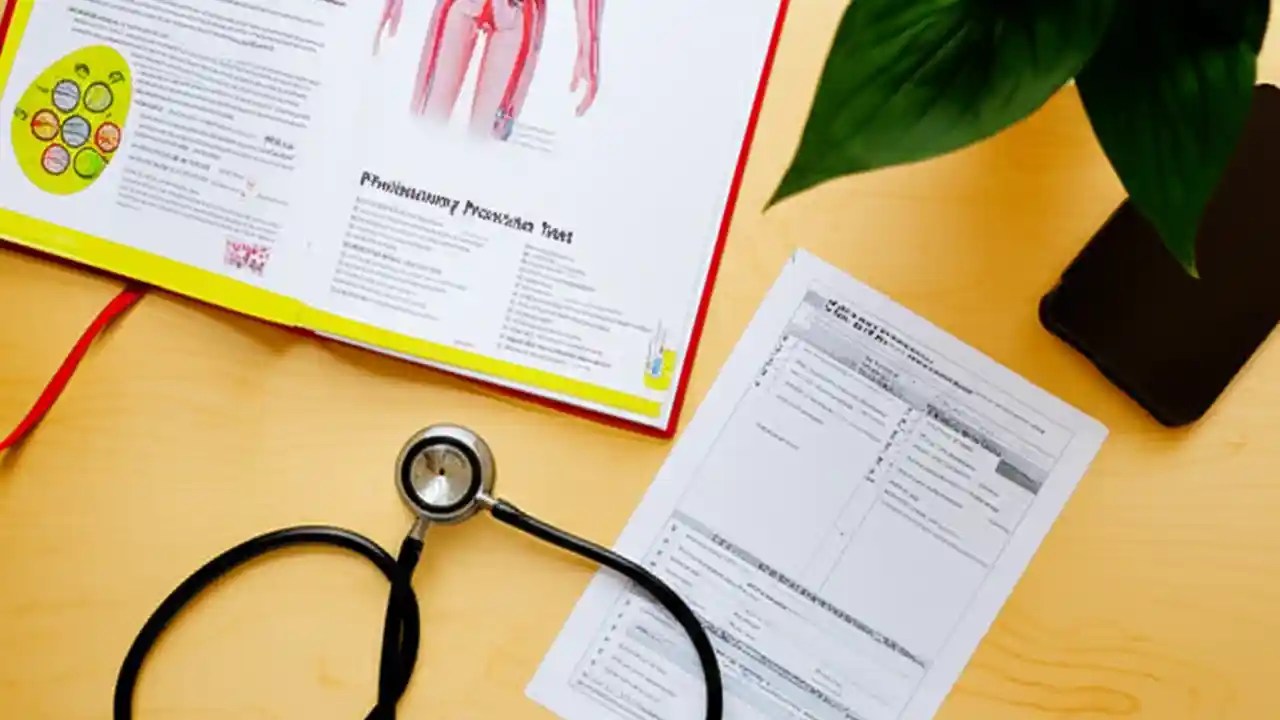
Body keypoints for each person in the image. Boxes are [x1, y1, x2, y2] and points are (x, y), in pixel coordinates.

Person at [374, 0, 602, 141]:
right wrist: (589, 42)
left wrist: (589, 42)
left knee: (486, 143)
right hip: (482, 9)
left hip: (519, 13)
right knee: (424, 124)